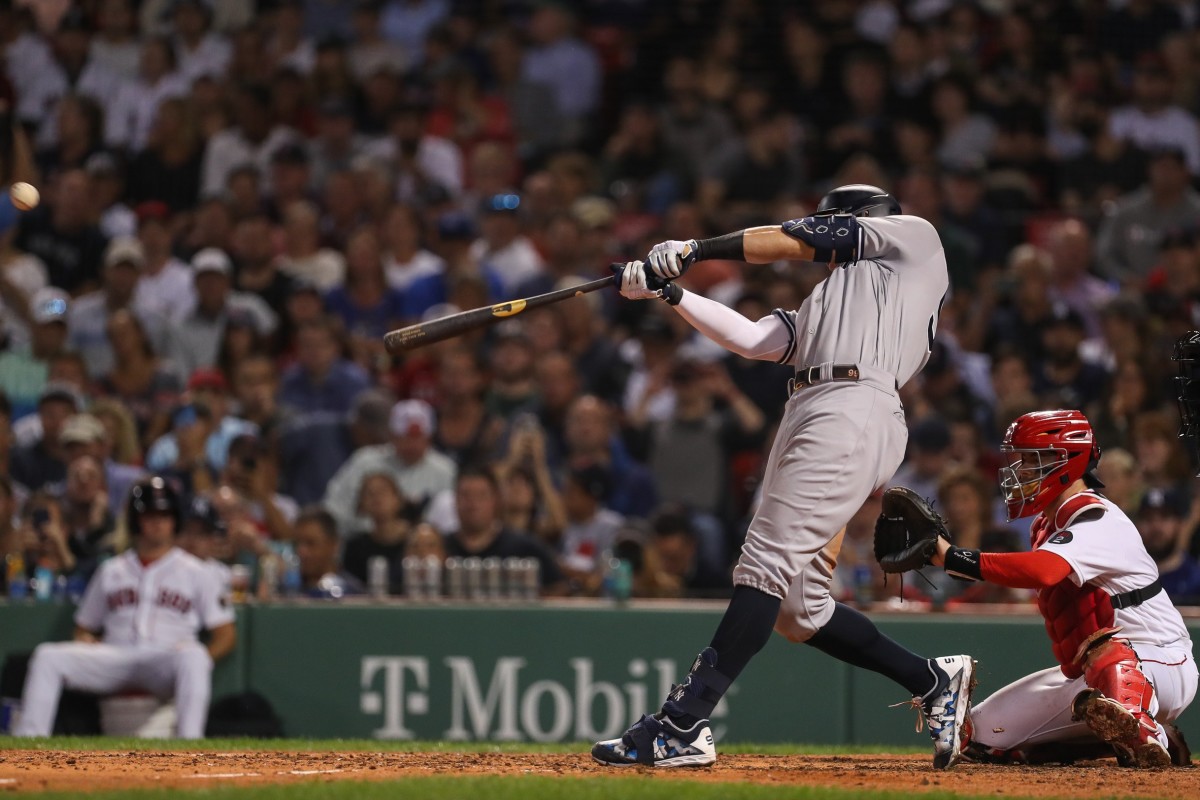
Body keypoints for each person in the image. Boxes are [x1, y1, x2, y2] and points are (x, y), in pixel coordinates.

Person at [593, 185, 974, 769]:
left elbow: (802, 238)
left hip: (853, 404)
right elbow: (751, 340)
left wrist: (694, 249)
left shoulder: (914, 240)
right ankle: (930, 680)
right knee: (799, 610)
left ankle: (682, 723)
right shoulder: (838, 299)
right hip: (815, 405)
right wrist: (670, 292)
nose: (823, 237)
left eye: (832, 223)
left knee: (763, 565)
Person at [911, 410, 1198, 768]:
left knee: (1105, 651)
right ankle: (1132, 737)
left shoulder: (1099, 518)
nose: (1021, 472)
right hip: (1096, 675)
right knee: (982, 736)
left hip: (1161, 663)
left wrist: (953, 557)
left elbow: (1045, 571)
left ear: (1068, 463)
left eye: (1033, 461)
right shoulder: (1047, 524)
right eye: (1021, 460)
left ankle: (1146, 733)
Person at [14, 477, 236, 739]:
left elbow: (226, 634)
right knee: (48, 657)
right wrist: (85, 639)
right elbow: (84, 627)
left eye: (164, 515)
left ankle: (190, 745)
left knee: (194, 655)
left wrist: (195, 664)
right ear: (135, 521)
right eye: (150, 515)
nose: (157, 522)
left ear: (175, 520)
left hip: (164, 660)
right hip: (116, 656)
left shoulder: (197, 572)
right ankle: (29, 743)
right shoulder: (111, 570)